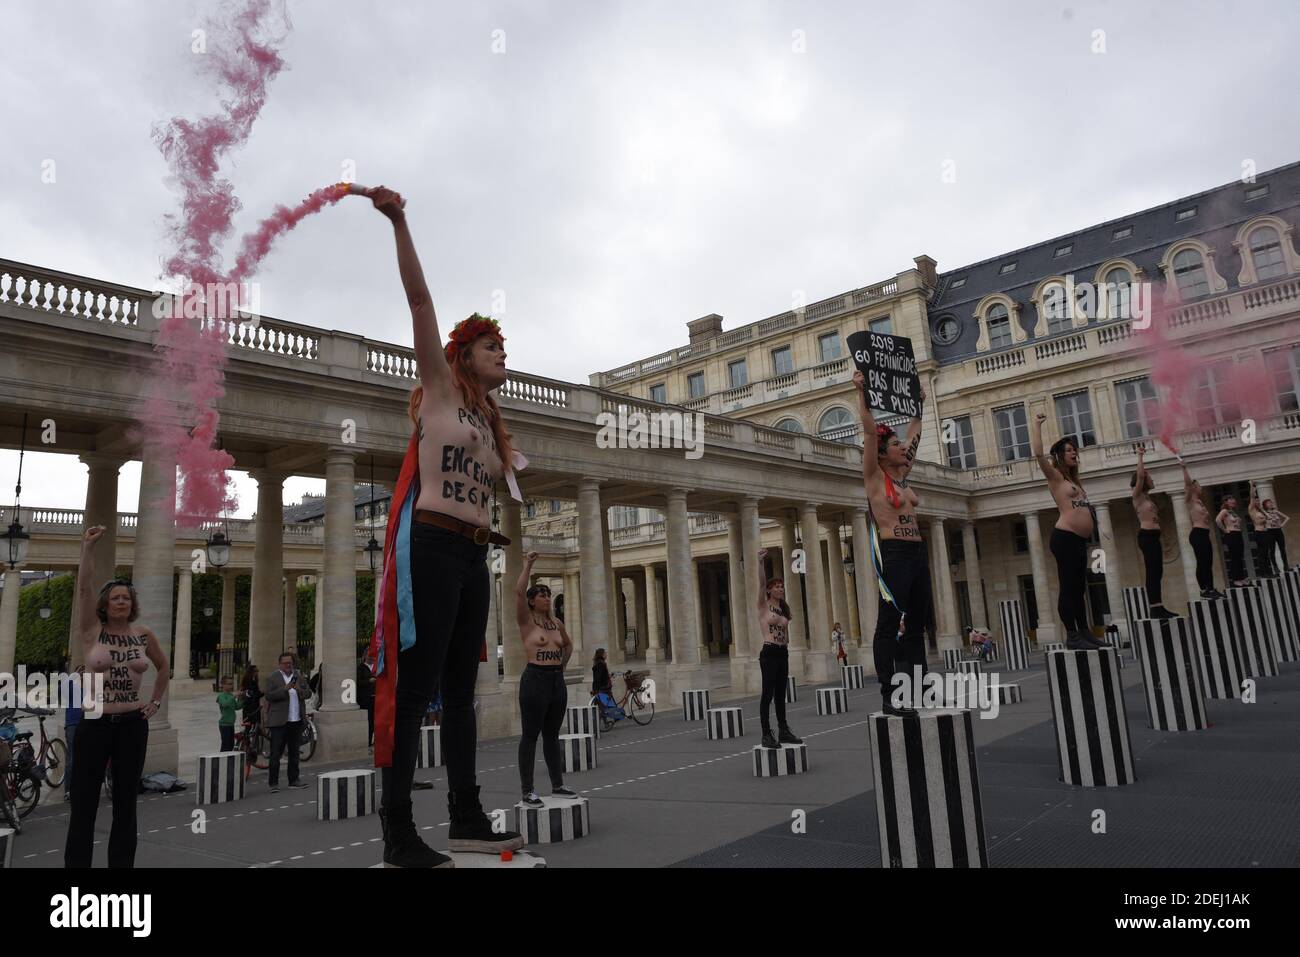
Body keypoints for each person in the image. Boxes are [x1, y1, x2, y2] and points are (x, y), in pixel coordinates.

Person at [363, 185, 524, 867]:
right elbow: (420, 304)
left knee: (463, 693)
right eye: (492, 345)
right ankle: (398, 829)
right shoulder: (435, 389)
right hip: (429, 546)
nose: (503, 354)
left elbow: (504, 498)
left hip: (473, 558)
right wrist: (400, 222)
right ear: (463, 353)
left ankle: (465, 814)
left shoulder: (490, 428)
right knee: (415, 684)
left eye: (504, 347)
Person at [64, 526, 169, 868]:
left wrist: (154, 701)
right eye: (115, 598)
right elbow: (83, 588)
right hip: (95, 723)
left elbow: (163, 667)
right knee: (84, 802)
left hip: (131, 724)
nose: (121, 601)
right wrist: (88, 549)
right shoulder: (92, 631)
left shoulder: (143, 634)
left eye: (126, 597)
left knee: (126, 803)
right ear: (105, 605)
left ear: (132, 603)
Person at [852, 369, 928, 716]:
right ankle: (890, 693)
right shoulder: (874, 475)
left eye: (902, 445)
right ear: (883, 453)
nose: (903, 447)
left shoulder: (902, 478)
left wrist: (918, 408)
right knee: (889, 624)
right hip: (894, 553)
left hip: (916, 552)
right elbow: (870, 431)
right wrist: (861, 392)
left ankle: (919, 689)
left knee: (916, 624)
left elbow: (915, 434)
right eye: (895, 444)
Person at [1031, 415, 1102, 650]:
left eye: (1075, 450)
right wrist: (1037, 425)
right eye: (1070, 450)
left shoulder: (1074, 481)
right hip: (1065, 538)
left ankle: (1084, 631)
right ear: (1061, 455)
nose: (1074, 453)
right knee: (1068, 587)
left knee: (1079, 587)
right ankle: (1072, 634)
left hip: (1079, 541)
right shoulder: (1057, 477)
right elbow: (1039, 455)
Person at [516, 553, 577, 806]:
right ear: (532, 601)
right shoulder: (527, 623)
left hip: (555, 679)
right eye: (542, 595)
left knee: (552, 734)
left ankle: (557, 784)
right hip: (535, 678)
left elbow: (568, 645)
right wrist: (528, 565)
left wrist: (561, 666)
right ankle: (528, 789)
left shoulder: (556, 622)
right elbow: (518, 593)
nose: (547, 598)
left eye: (549, 595)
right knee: (530, 735)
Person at [755, 549, 801, 749]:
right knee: (768, 694)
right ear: (769, 590)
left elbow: (786, 634)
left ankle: (783, 729)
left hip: (782, 652)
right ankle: (766, 733)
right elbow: (761, 583)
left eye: (782, 587)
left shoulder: (783, 609)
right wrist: (760, 564)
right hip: (769, 651)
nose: (781, 589)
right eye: (777, 587)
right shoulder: (763, 606)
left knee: (781, 693)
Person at [1130, 447, 1177, 618]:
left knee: (1157, 572)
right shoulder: (1138, 496)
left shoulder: (1147, 498)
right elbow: (1140, 476)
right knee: (1152, 571)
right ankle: (1155, 608)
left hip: (1153, 536)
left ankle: (1159, 605)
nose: (1151, 479)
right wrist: (1140, 456)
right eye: (1150, 477)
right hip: (1147, 536)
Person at [264, 652, 310, 793]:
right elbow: (269, 695)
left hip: (295, 720)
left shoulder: (299, 677)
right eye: (285, 663)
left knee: (294, 753)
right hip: (279, 721)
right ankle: (273, 783)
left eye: (289, 663)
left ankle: (294, 780)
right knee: (276, 753)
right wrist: (284, 689)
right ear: (280, 664)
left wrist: (299, 689)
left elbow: (308, 693)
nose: (288, 665)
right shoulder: (273, 678)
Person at [1182, 464, 1223, 599]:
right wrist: (1184, 468)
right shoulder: (1190, 500)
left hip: (1204, 533)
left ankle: (1209, 588)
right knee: (1202, 561)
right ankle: (1205, 589)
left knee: (1208, 562)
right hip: (1197, 533)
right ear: (1194, 488)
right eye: (1199, 486)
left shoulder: (1199, 501)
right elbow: (1188, 484)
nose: (1201, 488)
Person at [59, 658, 84, 802]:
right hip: (73, 725)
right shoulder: (70, 687)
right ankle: (68, 790)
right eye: (80, 671)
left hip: (88, 725)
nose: (82, 674)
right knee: (72, 759)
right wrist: (73, 676)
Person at [1216, 495, 1248, 587]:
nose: (1233, 500)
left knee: (1239, 556)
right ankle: (1236, 579)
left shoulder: (1232, 512)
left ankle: (1241, 577)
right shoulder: (1224, 511)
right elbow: (1218, 520)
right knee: (1234, 557)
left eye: (1234, 499)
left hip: (1238, 534)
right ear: (1226, 501)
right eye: (1231, 499)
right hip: (1231, 535)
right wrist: (1225, 530)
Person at [1247, 484, 1275, 578]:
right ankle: (1263, 573)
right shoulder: (1252, 510)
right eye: (1256, 501)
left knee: (1266, 553)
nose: (1258, 502)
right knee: (1261, 553)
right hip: (1259, 532)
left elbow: (1269, 518)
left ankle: (1269, 572)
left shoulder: (1261, 511)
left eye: (1259, 501)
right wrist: (1252, 486)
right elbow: (1252, 496)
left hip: (1265, 532)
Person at [1262, 498, 1290, 570]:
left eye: (1271, 502)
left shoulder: (1275, 511)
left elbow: (1287, 517)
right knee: (1272, 549)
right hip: (1270, 531)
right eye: (1268, 503)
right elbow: (1262, 522)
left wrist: (1282, 525)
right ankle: (1275, 567)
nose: (1270, 504)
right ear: (1265, 505)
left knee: (1282, 548)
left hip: (1278, 530)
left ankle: (1286, 565)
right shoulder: (1264, 513)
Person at [216, 676, 239, 752]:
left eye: (232, 684)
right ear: (223, 685)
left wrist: (243, 699)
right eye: (229, 684)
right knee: (225, 745)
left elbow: (236, 707)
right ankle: (220, 761)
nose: (231, 686)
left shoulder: (231, 695)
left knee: (231, 745)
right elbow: (224, 704)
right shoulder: (221, 696)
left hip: (231, 724)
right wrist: (234, 697)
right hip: (224, 725)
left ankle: (227, 761)